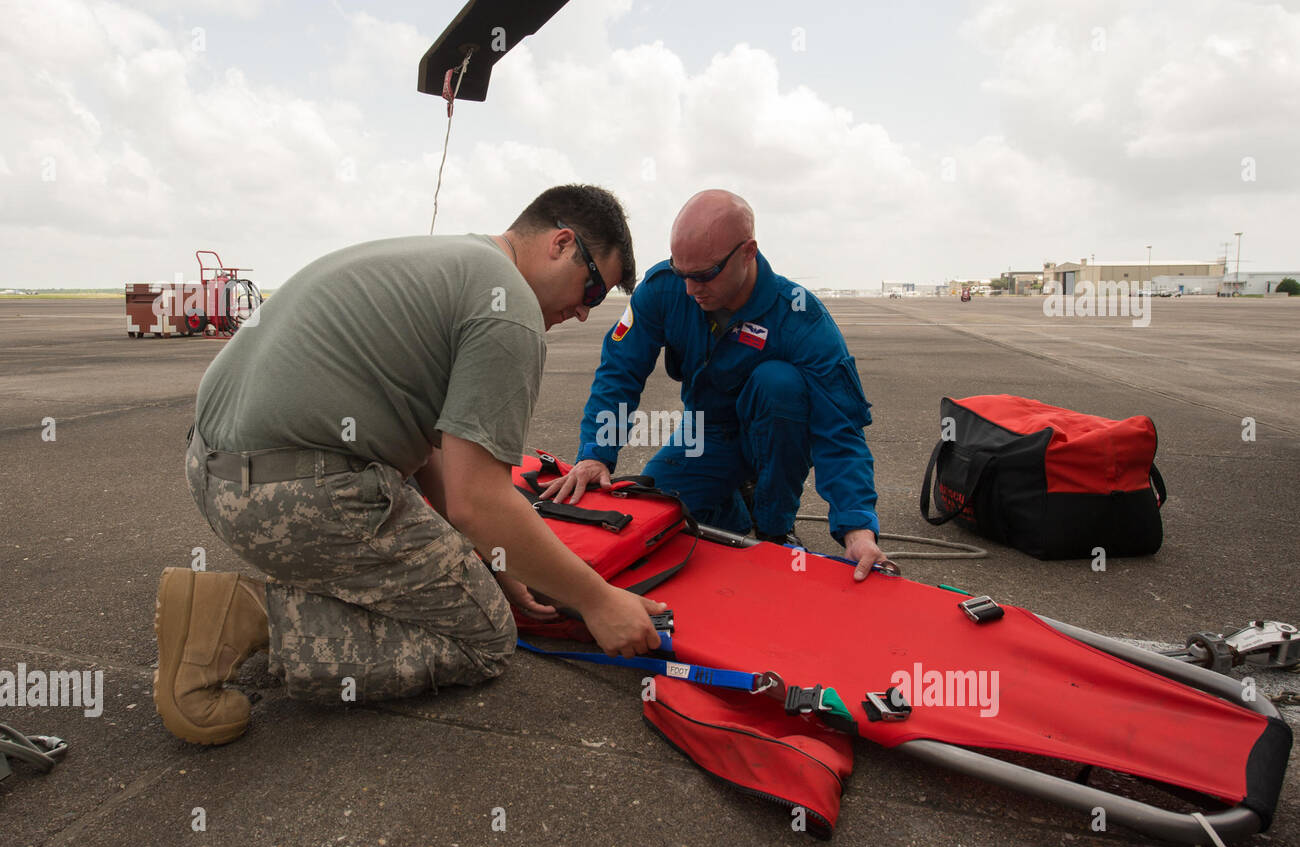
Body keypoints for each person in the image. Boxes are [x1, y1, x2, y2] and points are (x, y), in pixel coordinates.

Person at [156, 184, 665, 746]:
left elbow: (433, 453)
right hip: (294, 494)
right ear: (561, 243)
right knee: (483, 636)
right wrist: (599, 602)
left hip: (213, 471)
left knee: (465, 586)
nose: (583, 312)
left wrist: (499, 565)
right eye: (591, 285)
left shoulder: (453, 260)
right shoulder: (509, 307)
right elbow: (480, 503)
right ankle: (242, 621)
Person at [541, 190, 885, 580]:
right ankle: (736, 509)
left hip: (774, 432)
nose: (690, 289)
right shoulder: (664, 289)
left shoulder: (800, 318)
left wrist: (857, 527)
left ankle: (774, 526)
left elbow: (838, 427)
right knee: (659, 515)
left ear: (748, 252)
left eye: (704, 275)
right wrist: (595, 454)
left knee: (780, 385)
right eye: (681, 271)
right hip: (706, 432)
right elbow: (619, 374)